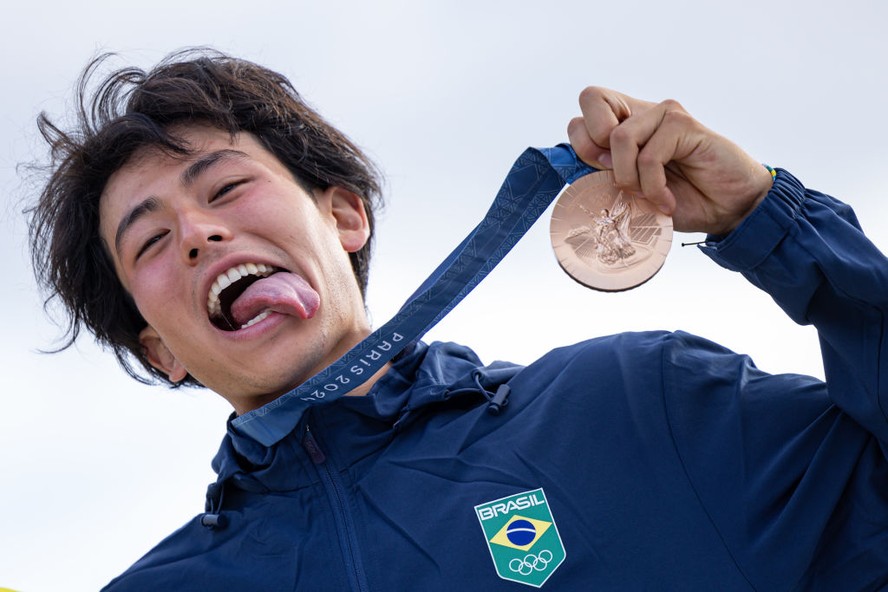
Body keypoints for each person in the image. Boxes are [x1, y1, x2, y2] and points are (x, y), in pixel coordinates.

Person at [28, 48, 887, 591]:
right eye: (149, 242)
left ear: (343, 218)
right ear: (159, 350)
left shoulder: (632, 406)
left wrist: (772, 222)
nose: (199, 233)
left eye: (224, 189)